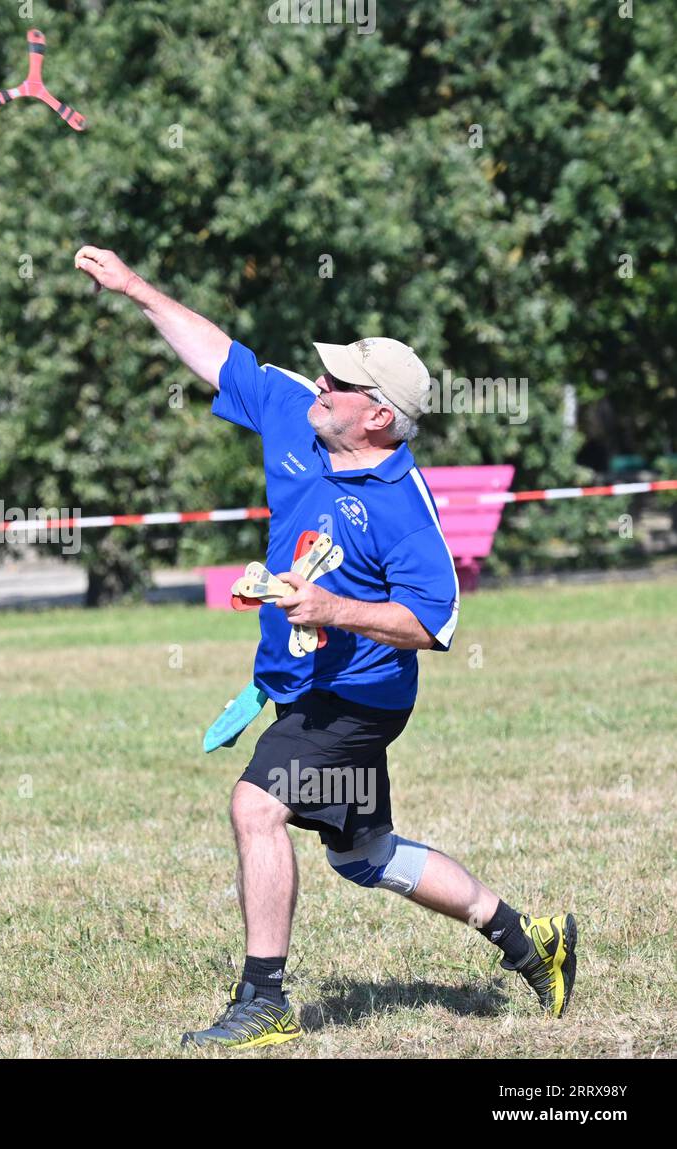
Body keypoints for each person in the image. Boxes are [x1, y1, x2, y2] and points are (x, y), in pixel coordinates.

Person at [74, 245, 577, 1050]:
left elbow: (434, 621)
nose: (321, 385)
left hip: (359, 700)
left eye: (339, 383)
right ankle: (530, 939)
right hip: (302, 688)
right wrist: (135, 289)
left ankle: (264, 999)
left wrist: (334, 607)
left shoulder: (399, 503)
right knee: (366, 853)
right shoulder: (299, 421)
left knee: (255, 806)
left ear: (376, 414)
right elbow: (221, 357)